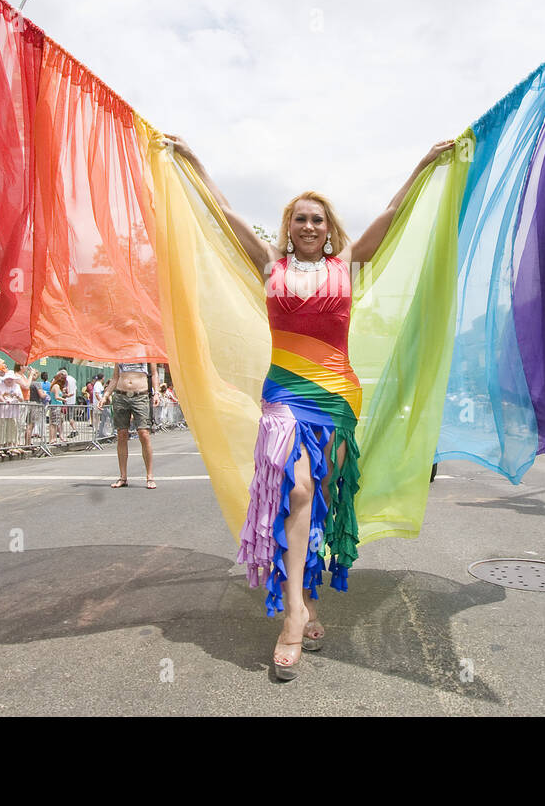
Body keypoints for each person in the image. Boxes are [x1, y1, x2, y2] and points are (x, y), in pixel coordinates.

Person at [168, 132, 454, 680]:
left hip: (338, 395)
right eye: (299, 218)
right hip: (284, 396)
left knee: (317, 500)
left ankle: (304, 595)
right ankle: (293, 616)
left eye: (317, 219)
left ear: (330, 229)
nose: (307, 226)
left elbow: (393, 213)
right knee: (296, 489)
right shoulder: (268, 263)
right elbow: (223, 211)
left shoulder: (347, 262)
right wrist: (192, 161)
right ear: (287, 227)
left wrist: (423, 163)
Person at [101, 363, 155, 488]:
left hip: (140, 396)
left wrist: (156, 392)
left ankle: (150, 477)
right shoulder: (120, 352)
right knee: (121, 434)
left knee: (144, 434)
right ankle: (123, 477)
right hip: (120, 396)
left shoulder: (146, 350)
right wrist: (106, 396)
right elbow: (115, 377)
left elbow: (155, 374)